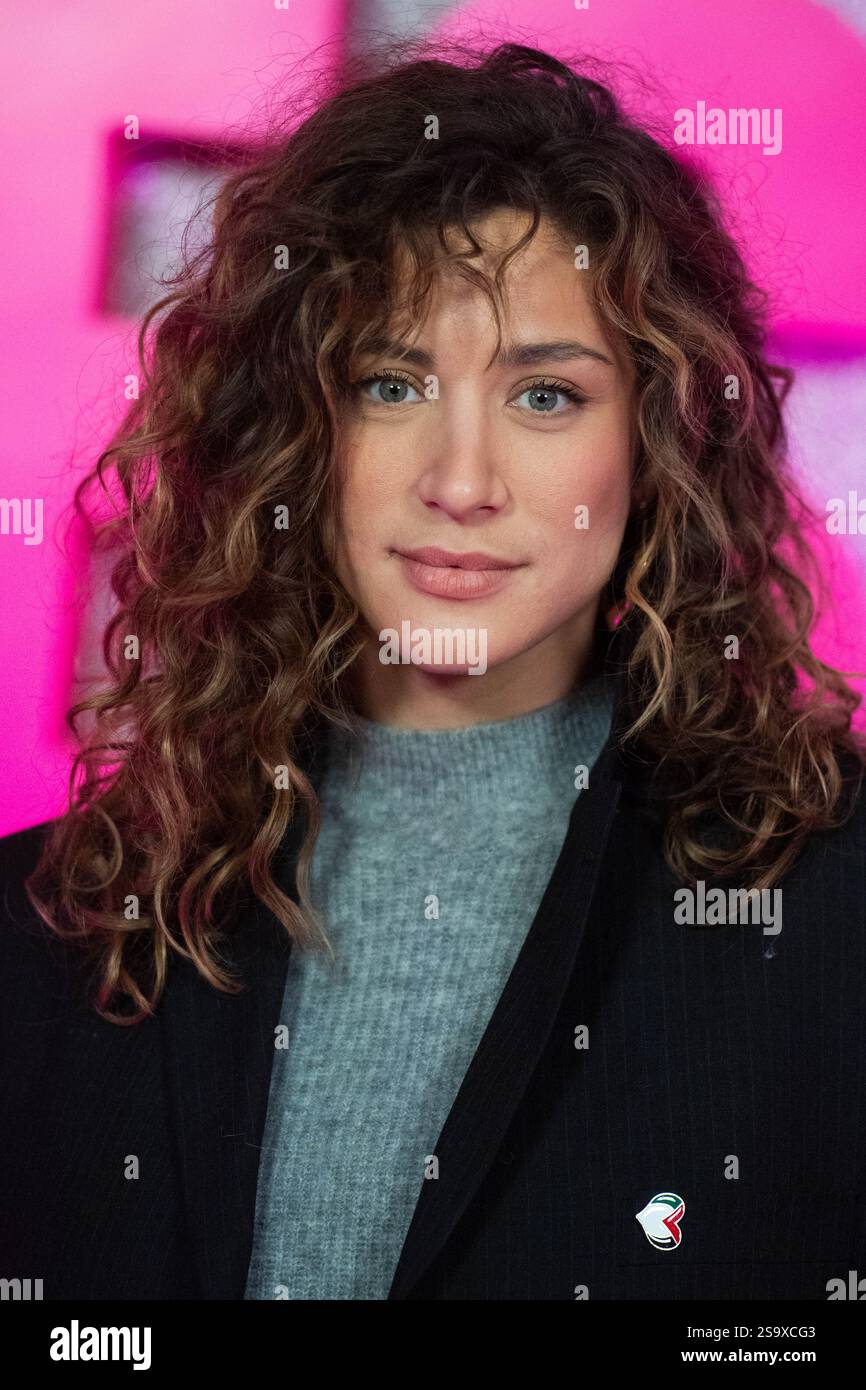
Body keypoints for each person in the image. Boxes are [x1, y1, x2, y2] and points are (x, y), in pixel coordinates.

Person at [2, 39, 865, 1303]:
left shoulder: (833, 898)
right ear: (293, 431)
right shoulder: (47, 920)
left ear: (659, 438)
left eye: (546, 397)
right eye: (390, 382)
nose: (459, 483)